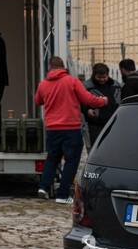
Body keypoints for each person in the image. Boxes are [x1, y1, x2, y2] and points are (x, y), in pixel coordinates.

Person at [34, 56, 107, 204]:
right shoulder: (72, 81)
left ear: (50, 68)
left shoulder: (43, 84)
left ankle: (43, 187)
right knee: (71, 161)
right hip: (71, 128)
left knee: (52, 158)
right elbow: (87, 99)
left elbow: (38, 101)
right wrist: (103, 101)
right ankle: (62, 195)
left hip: (52, 128)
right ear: (63, 67)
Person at [81, 62, 121, 146]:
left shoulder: (116, 85)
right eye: (99, 77)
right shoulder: (87, 86)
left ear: (108, 75)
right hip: (95, 125)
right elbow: (81, 103)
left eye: (104, 77)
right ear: (94, 75)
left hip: (113, 123)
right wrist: (87, 111)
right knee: (96, 147)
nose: (102, 79)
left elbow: (120, 101)